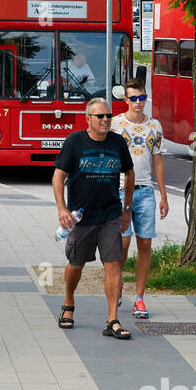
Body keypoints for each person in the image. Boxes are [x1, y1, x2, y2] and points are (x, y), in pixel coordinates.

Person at [53, 98, 136, 339]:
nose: (106, 120)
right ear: (88, 118)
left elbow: (129, 174)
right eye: (100, 116)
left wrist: (126, 208)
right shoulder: (75, 142)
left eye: (109, 116)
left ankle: (112, 320)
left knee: (113, 264)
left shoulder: (117, 143)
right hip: (82, 217)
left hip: (110, 215)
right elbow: (58, 176)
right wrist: (62, 208)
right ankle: (69, 303)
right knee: (76, 264)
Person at [112, 78, 169, 320]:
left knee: (145, 243)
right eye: (133, 98)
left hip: (145, 190)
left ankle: (140, 298)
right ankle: (119, 282)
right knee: (122, 244)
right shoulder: (115, 124)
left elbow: (157, 159)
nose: (138, 102)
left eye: (141, 97)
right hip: (122, 190)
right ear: (125, 100)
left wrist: (163, 195)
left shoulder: (154, 126)